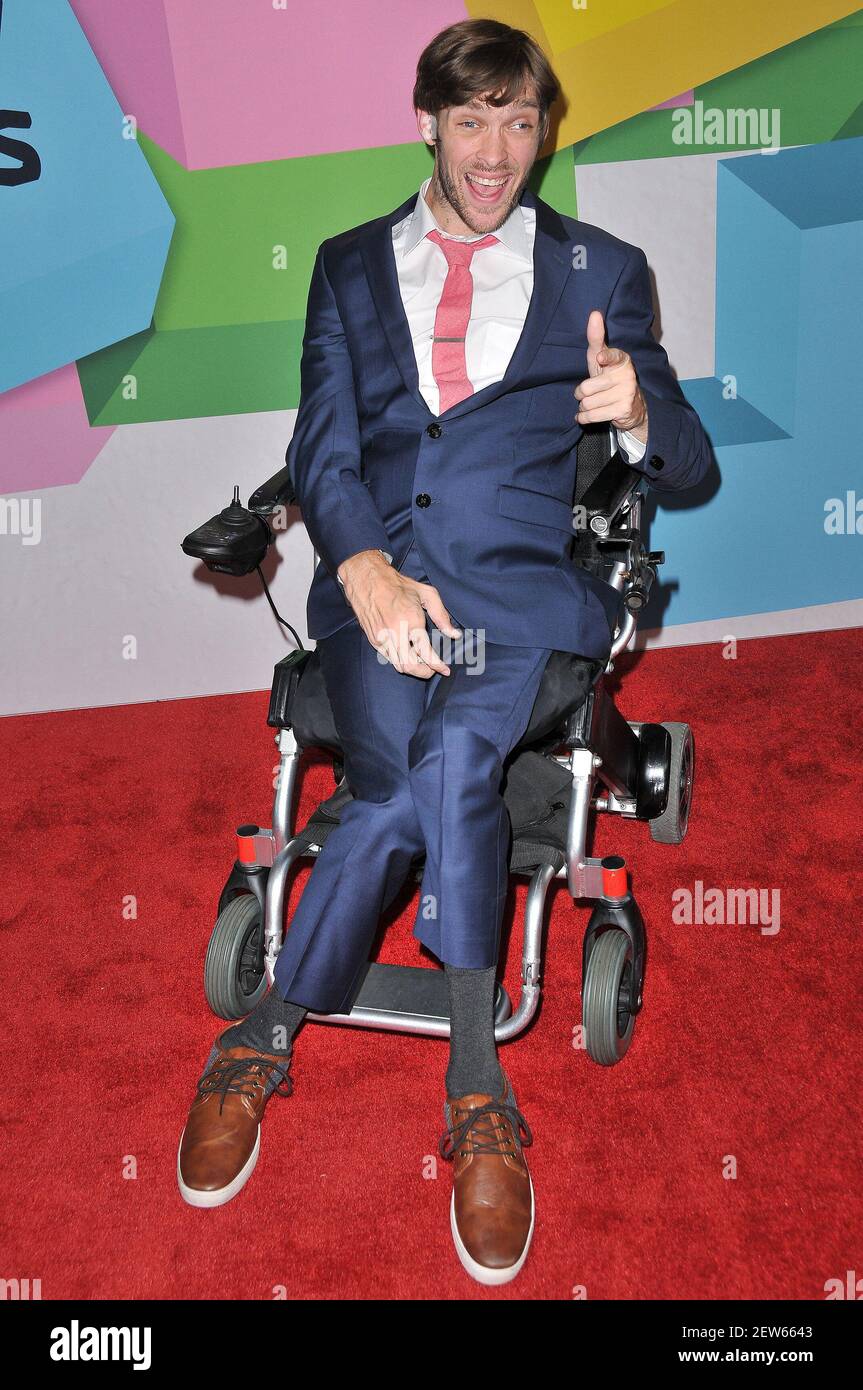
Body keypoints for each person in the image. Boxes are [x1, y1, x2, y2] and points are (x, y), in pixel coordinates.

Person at [176, 17, 711, 1286]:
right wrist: (359, 567)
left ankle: (285, 1044)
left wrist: (638, 411)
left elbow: (688, 463)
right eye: (471, 119)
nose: (496, 150)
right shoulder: (349, 265)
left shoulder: (601, 270)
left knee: (447, 754)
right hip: (380, 597)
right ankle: (470, 1089)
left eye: (520, 122)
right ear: (427, 120)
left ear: (543, 131)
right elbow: (323, 445)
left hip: (522, 602)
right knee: (425, 778)